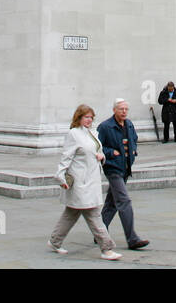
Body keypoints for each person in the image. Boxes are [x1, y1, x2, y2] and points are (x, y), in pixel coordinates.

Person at [49, 104, 122, 260]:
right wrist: (60, 176)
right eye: (86, 117)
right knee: (94, 215)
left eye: (91, 117)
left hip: (91, 180)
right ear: (79, 117)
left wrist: (102, 156)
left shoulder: (91, 133)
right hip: (80, 183)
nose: (89, 120)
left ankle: (55, 241)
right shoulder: (73, 134)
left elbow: (98, 151)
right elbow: (66, 157)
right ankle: (107, 248)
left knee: (71, 214)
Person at [97, 99, 149, 250]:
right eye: (121, 109)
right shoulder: (105, 126)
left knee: (112, 203)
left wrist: (134, 151)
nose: (124, 111)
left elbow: (134, 138)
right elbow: (97, 147)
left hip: (125, 168)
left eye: (126, 109)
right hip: (113, 168)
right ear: (114, 110)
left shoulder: (129, 124)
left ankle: (99, 232)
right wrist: (110, 152)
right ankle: (132, 238)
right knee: (124, 201)